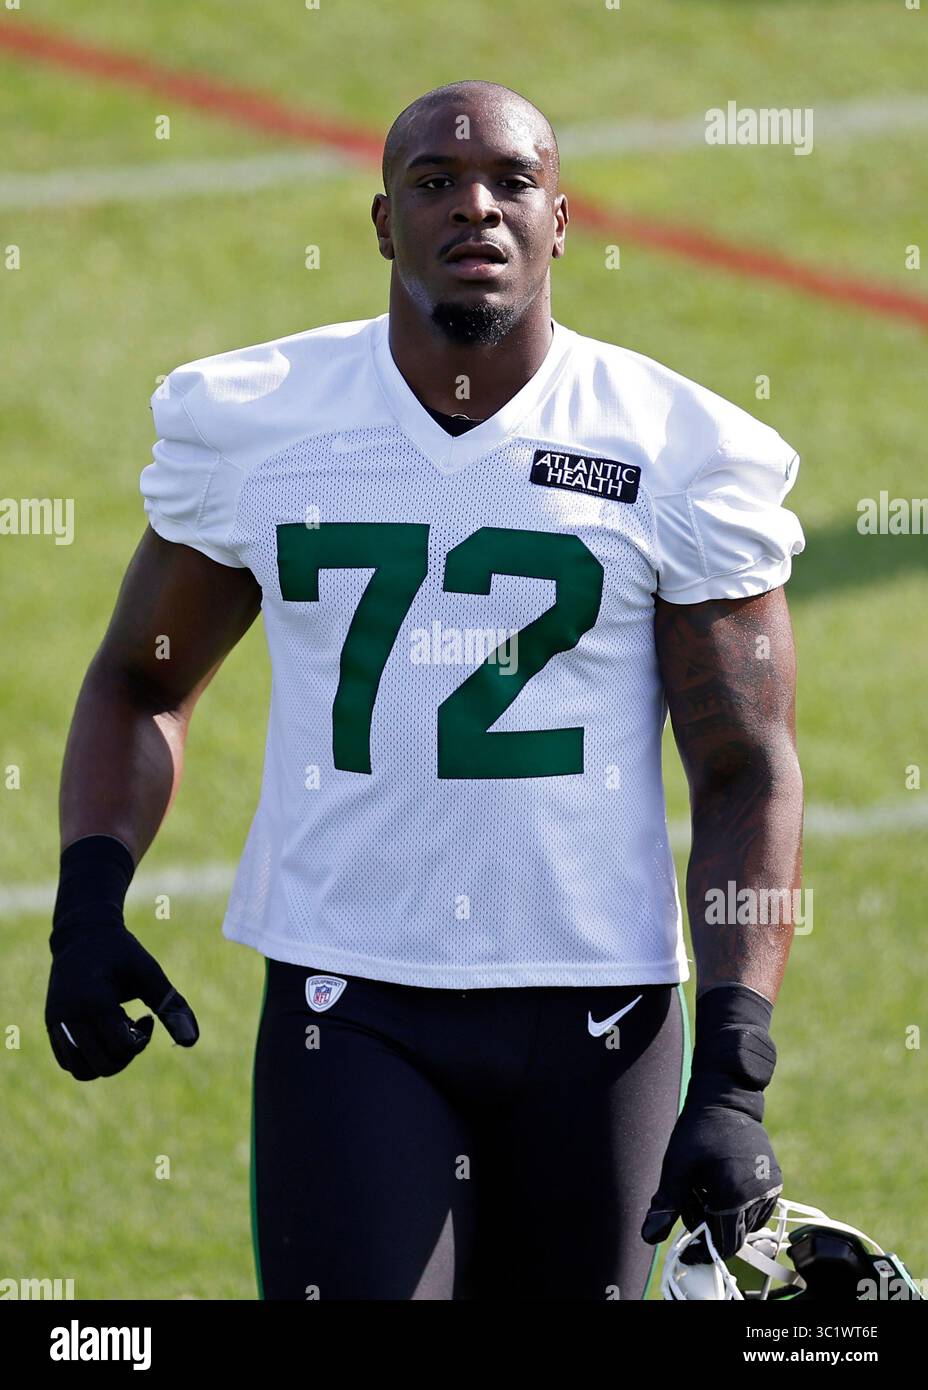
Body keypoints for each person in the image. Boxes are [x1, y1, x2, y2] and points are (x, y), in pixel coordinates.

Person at [46, 79, 805, 1301]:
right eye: (435, 182)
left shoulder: (676, 449)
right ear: (382, 224)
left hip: (599, 1013)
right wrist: (89, 902)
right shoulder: (265, 423)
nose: (477, 208)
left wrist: (733, 1067)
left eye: (511, 181)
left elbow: (744, 764)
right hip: (350, 1000)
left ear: (562, 220)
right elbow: (142, 680)